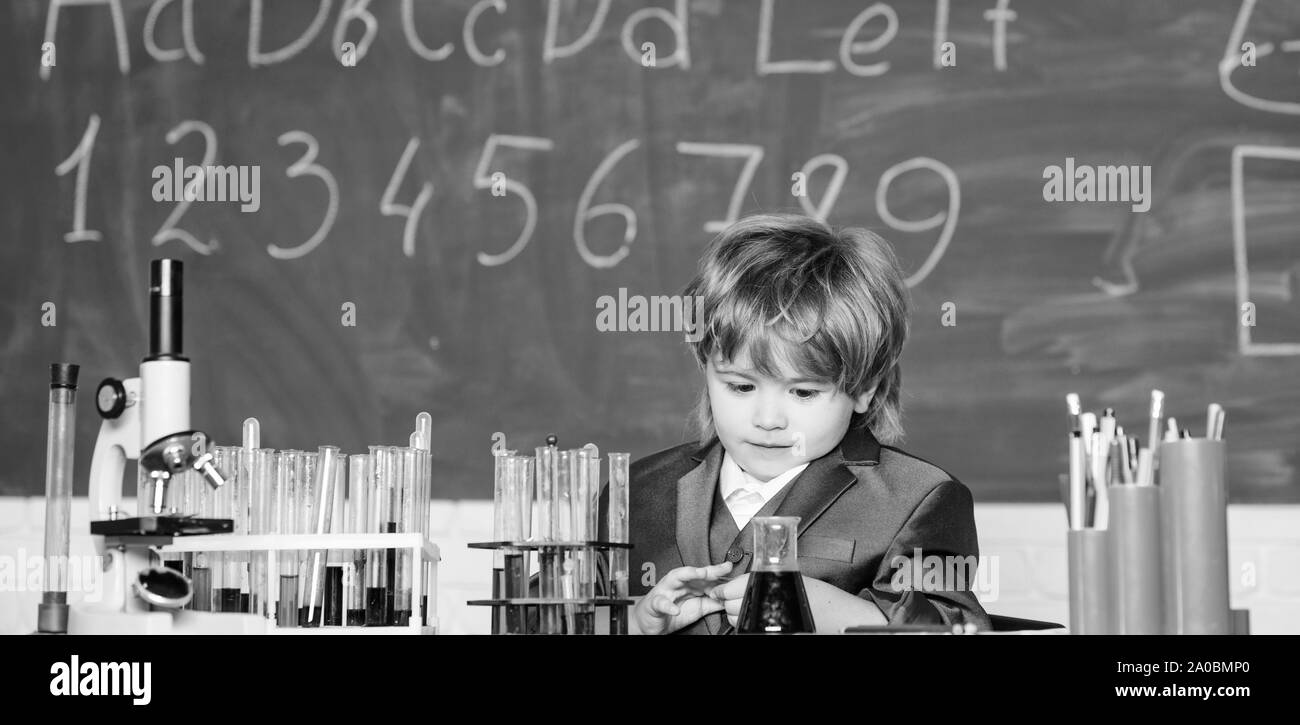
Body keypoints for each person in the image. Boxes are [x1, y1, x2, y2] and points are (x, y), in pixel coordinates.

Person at [620, 213, 991, 635]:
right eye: (741, 387)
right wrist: (632, 622)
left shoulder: (919, 499)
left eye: (803, 392)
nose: (768, 420)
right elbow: (543, 615)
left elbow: (952, 627)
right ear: (705, 366)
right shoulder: (634, 493)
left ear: (864, 387)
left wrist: (824, 610)